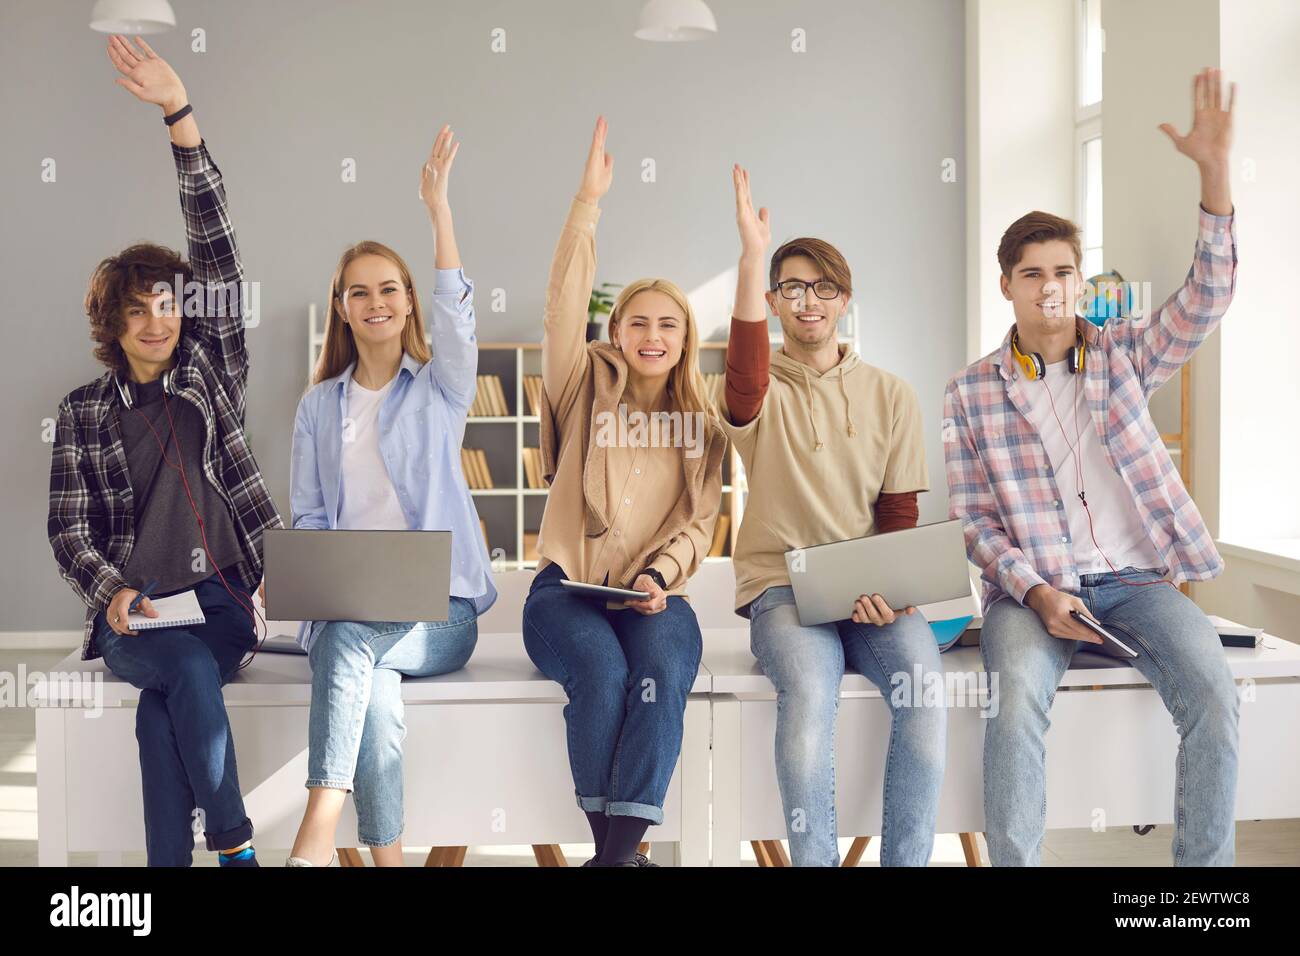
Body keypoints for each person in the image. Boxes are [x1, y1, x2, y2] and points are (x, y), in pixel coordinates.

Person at [943, 69, 1239, 866]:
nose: (1051, 287)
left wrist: (1213, 179)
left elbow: (1206, 299)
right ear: (1006, 285)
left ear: (1081, 281)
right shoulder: (970, 392)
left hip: (1138, 580)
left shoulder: (1126, 356)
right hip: (1032, 585)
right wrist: (1036, 591)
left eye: (1064, 272)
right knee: (1013, 707)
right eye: (1033, 273)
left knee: (1214, 693)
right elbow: (971, 521)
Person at [47, 36, 281, 867]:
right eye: (139, 309)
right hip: (135, 614)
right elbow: (70, 535)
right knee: (173, 672)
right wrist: (111, 595)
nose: (159, 320)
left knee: (167, 699)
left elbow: (216, 245)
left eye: (170, 305)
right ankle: (236, 845)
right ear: (112, 324)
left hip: (221, 606)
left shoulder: (212, 373)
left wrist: (180, 115)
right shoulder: (81, 414)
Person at [718, 166, 944, 866]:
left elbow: (897, 510)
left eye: (822, 287)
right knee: (810, 695)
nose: (807, 301)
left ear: (844, 299)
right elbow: (746, 383)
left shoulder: (891, 393)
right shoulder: (752, 390)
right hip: (781, 587)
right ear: (774, 302)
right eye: (791, 287)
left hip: (868, 589)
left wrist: (891, 590)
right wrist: (753, 256)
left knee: (925, 690)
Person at [284, 126, 496, 867]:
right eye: (359, 292)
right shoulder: (318, 408)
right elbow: (309, 520)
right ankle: (389, 862)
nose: (375, 301)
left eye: (389, 289)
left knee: (350, 647)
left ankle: (315, 832)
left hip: (443, 614)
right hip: (353, 614)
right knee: (370, 690)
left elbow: (459, 320)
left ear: (408, 303)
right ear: (341, 309)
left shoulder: (441, 391)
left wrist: (438, 211)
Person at [522, 117, 727, 867]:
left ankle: (613, 859)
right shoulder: (582, 386)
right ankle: (621, 861)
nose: (652, 333)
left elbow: (698, 526)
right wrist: (587, 204)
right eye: (638, 320)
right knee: (605, 675)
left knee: (665, 670)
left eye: (668, 323)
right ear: (616, 329)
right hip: (565, 593)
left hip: (653, 595)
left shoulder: (701, 425)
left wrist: (657, 577)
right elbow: (560, 307)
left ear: (684, 338)